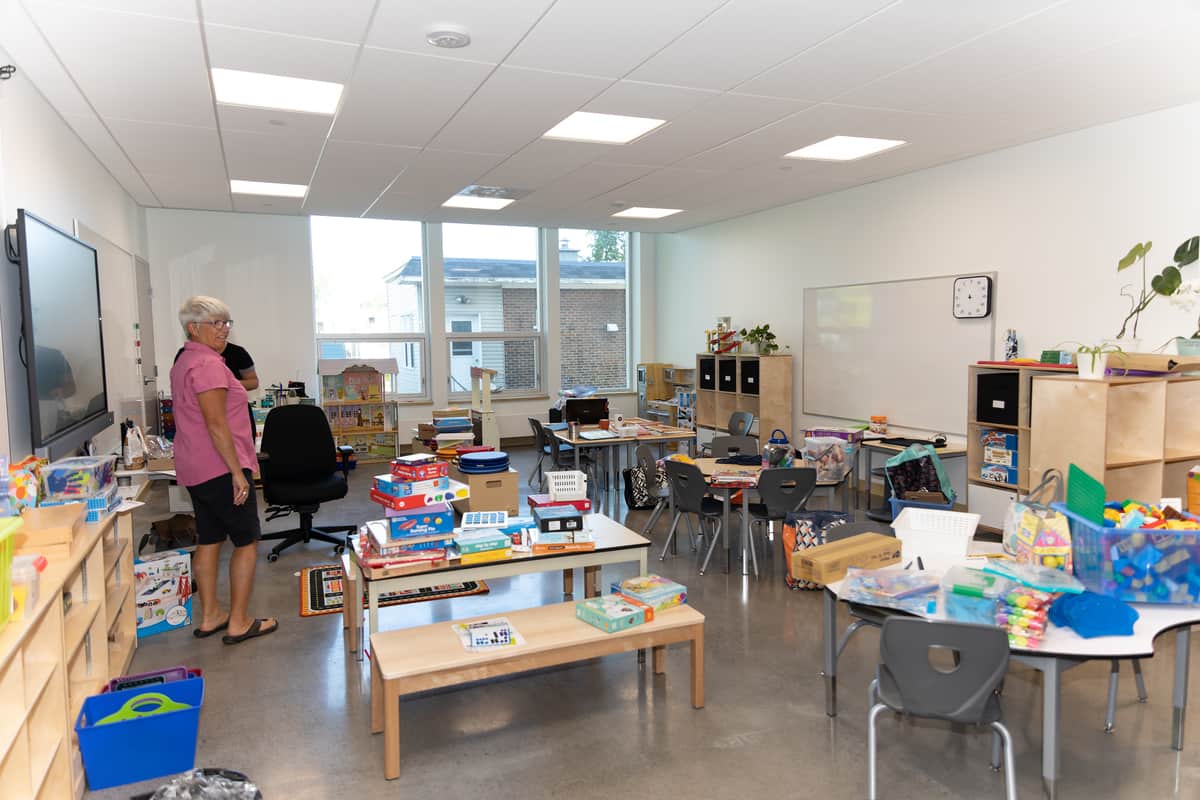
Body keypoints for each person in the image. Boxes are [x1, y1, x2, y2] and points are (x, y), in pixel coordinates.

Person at [170, 296, 277, 645]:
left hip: (194, 467)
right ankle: (239, 621)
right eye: (215, 323)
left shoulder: (185, 361)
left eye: (226, 322)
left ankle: (211, 615)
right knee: (246, 542)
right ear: (193, 327)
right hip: (220, 467)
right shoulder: (210, 366)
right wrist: (236, 472)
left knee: (210, 538)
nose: (223, 330)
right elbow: (217, 425)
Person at [175, 336, 259, 437]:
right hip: (197, 416)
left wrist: (226, 384)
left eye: (224, 324)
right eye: (215, 323)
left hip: (235, 416)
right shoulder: (185, 355)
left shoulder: (238, 352)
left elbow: (253, 382)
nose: (222, 329)